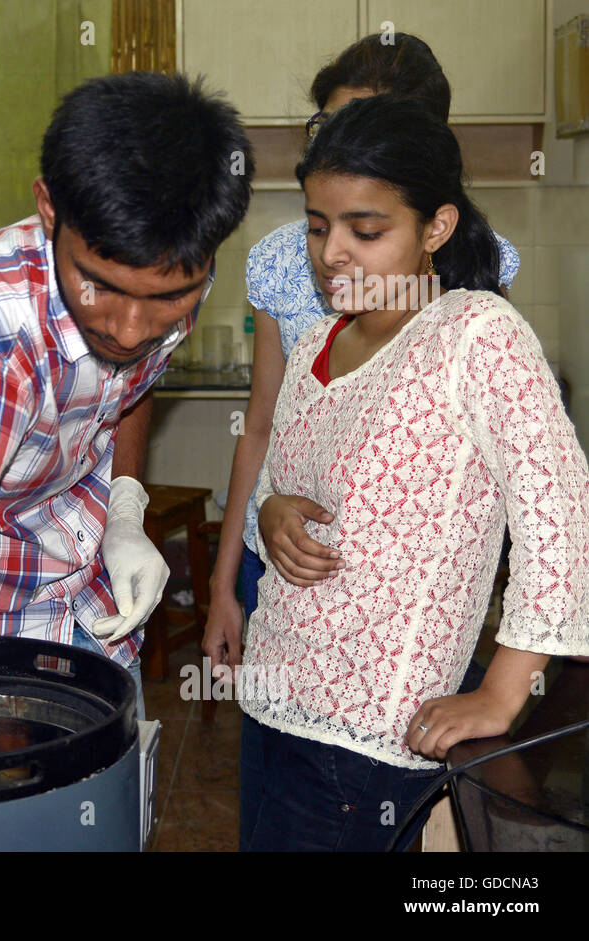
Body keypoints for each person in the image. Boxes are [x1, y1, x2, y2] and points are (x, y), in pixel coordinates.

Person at [0, 71, 253, 758]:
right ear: (47, 207)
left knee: (99, 796)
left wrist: (125, 507)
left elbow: (130, 382)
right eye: (104, 289)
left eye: (165, 301)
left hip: (72, 578)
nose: (129, 329)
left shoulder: (168, 279)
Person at [237, 94, 589, 852]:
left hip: (369, 738)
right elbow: (281, 480)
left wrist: (502, 688)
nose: (334, 252)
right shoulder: (318, 346)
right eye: (317, 225)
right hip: (274, 696)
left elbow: (560, 510)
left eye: (367, 230)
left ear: (436, 227)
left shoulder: (474, 334)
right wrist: (270, 514)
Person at [202, 33, 520, 677]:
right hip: (285, 564)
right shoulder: (281, 262)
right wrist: (224, 582)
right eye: (329, 125)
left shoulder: (476, 282)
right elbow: (261, 428)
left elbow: (496, 476)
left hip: (404, 598)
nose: (334, 252)